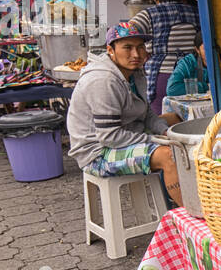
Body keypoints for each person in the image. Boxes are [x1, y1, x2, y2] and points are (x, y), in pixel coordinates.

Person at [67, 25, 184, 206]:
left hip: (124, 134)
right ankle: (190, 222)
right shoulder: (103, 80)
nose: (136, 54)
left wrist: (166, 132)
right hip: (98, 153)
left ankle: (179, 196)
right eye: (127, 48)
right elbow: (110, 137)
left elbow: (147, 114)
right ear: (110, 50)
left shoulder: (134, 73)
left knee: (176, 122)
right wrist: (157, 140)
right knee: (168, 155)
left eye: (140, 47)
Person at [127, 0, 200, 115]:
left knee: (162, 122)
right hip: (193, 75)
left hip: (162, 77)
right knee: (193, 119)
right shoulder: (196, 12)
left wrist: (143, 51)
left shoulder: (149, 14)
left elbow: (126, 33)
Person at [162, 31, 209, 113]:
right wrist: (207, 87)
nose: (210, 52)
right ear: (197, 50)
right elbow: (172, 89)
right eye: (206, 48)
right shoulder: (187, 63)